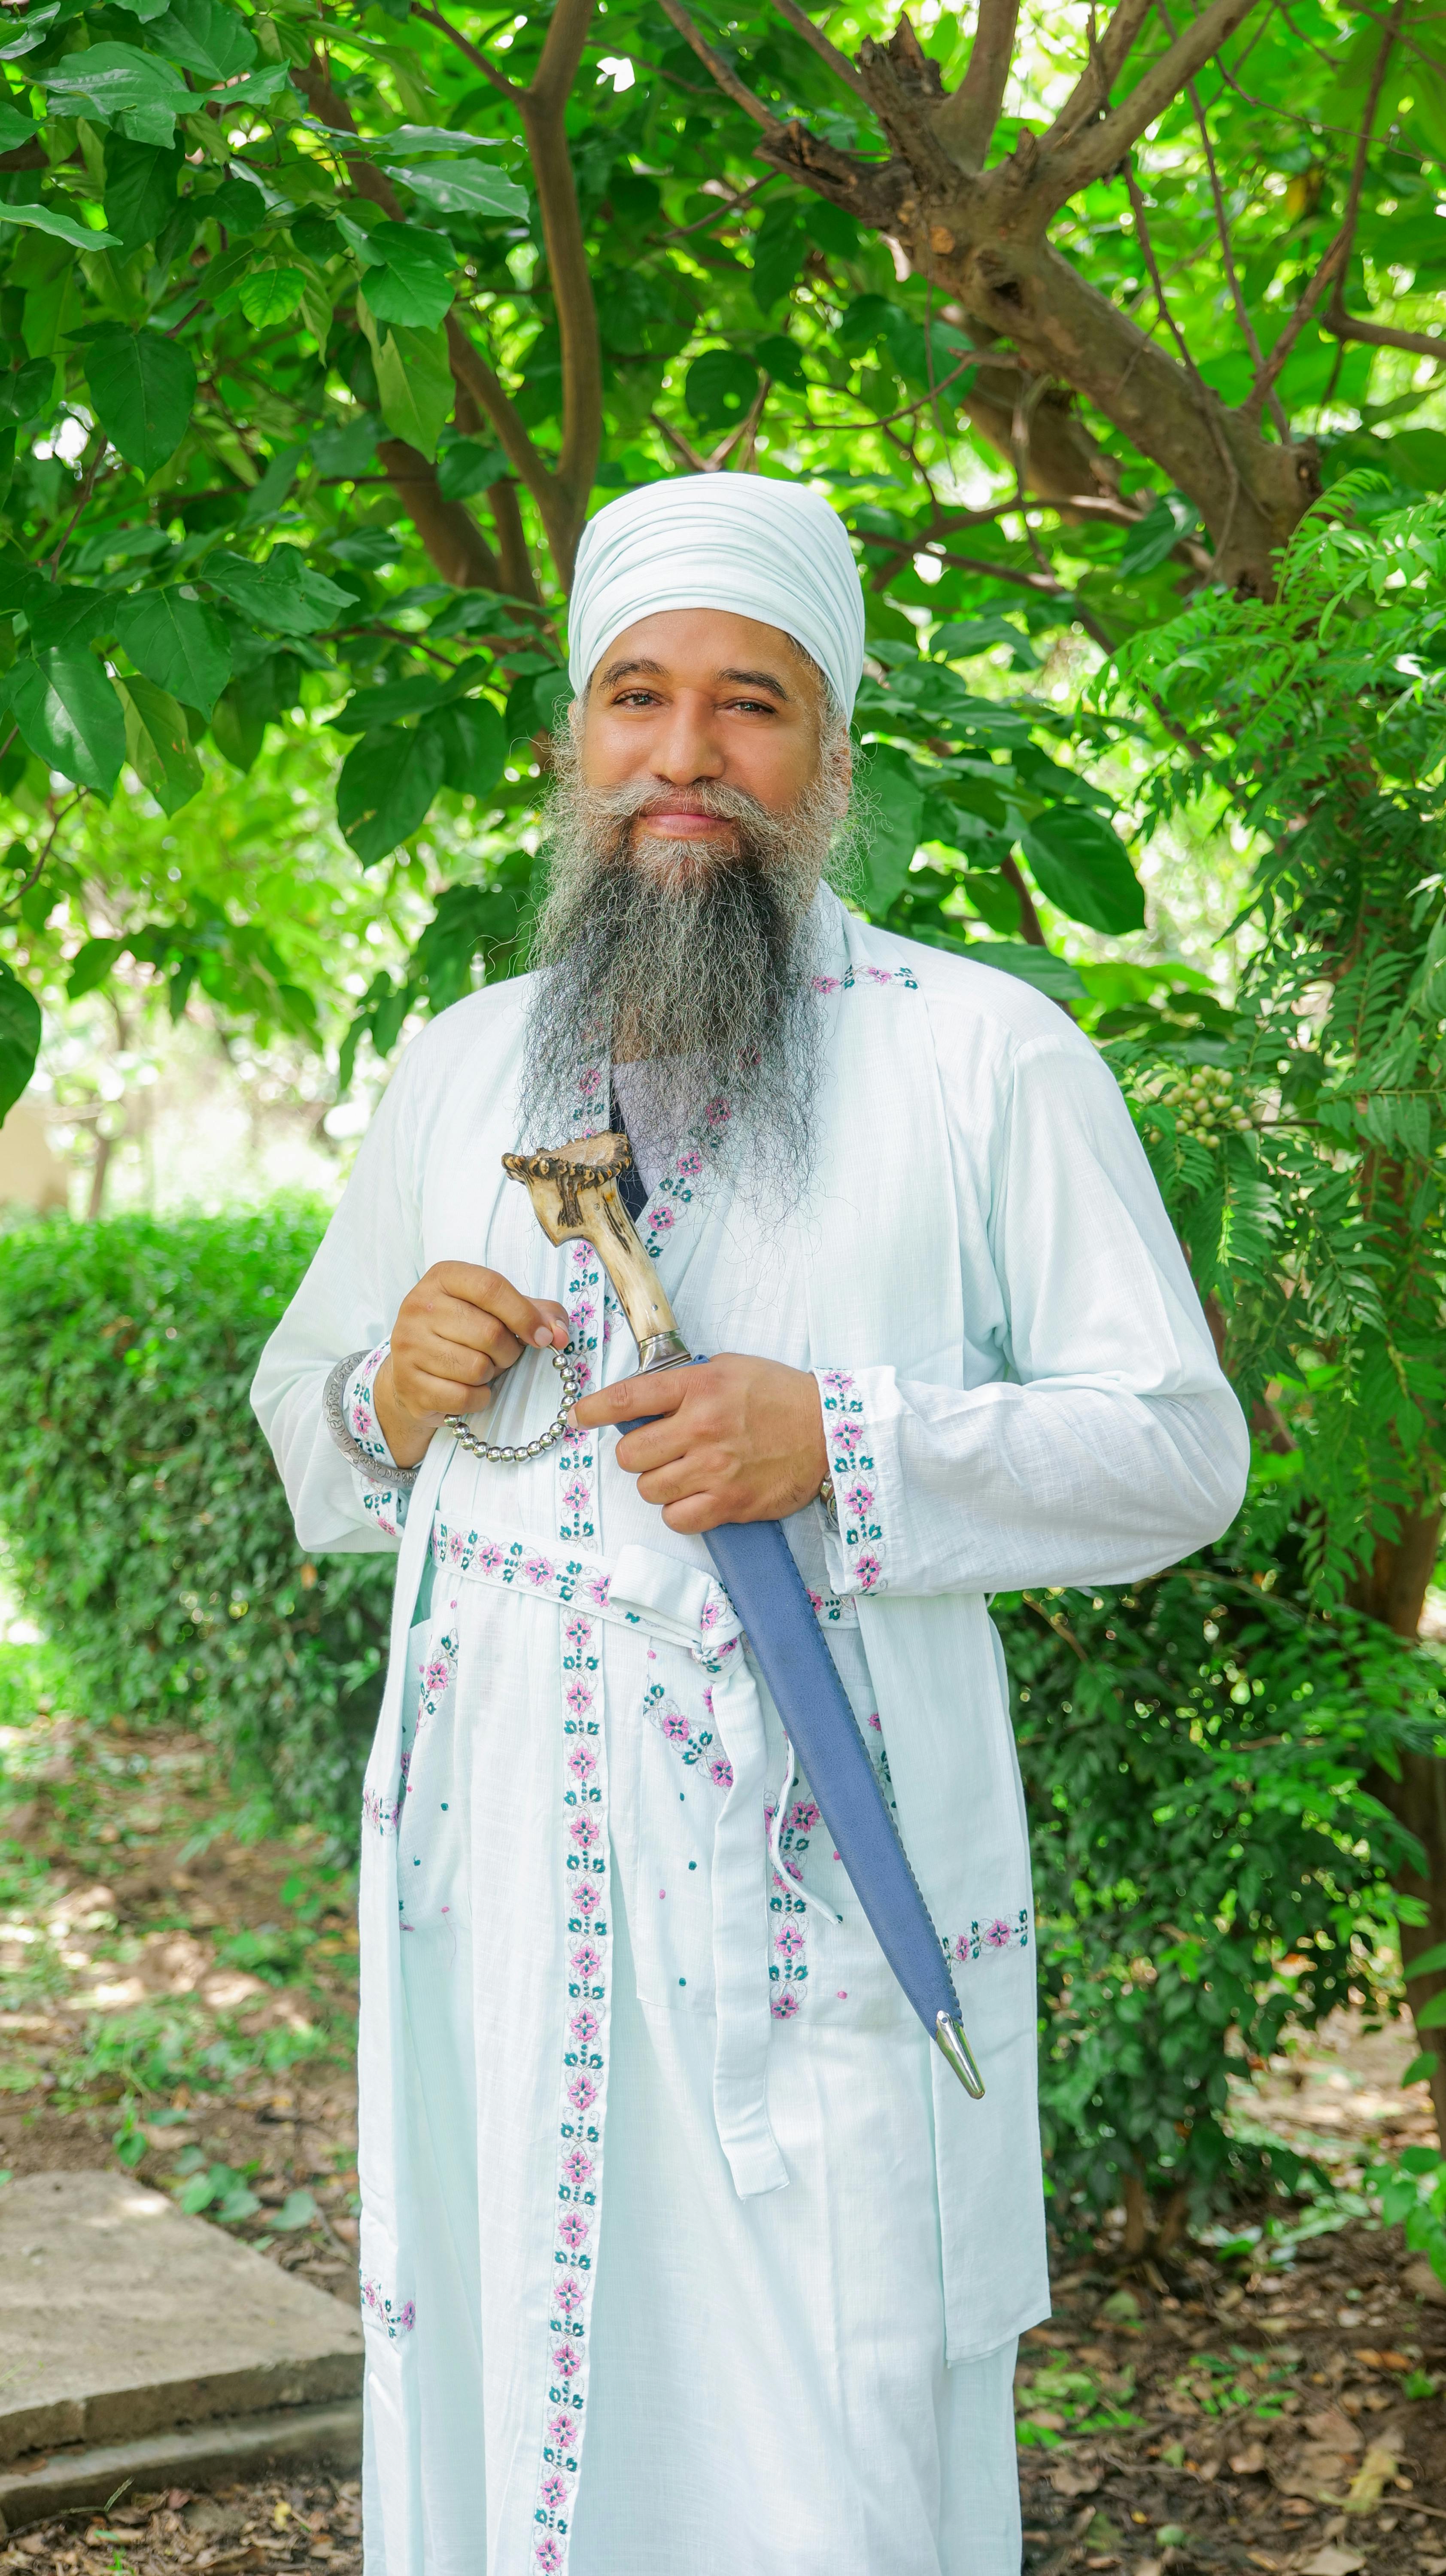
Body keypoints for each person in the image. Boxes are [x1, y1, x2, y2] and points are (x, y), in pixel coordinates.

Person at [253, 472, 1249, 2576]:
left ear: (830, 755)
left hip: (810, 1924)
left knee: (835, 2449)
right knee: (514, 2400)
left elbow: (1173, 1450)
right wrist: (392, 1391)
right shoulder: (457, 1069)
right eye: (635, 697)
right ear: (573, 740)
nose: (682, 757)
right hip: (500, 1921)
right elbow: (315, 1425)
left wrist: (843, 1446)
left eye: (748, 703)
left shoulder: (983, 1059)